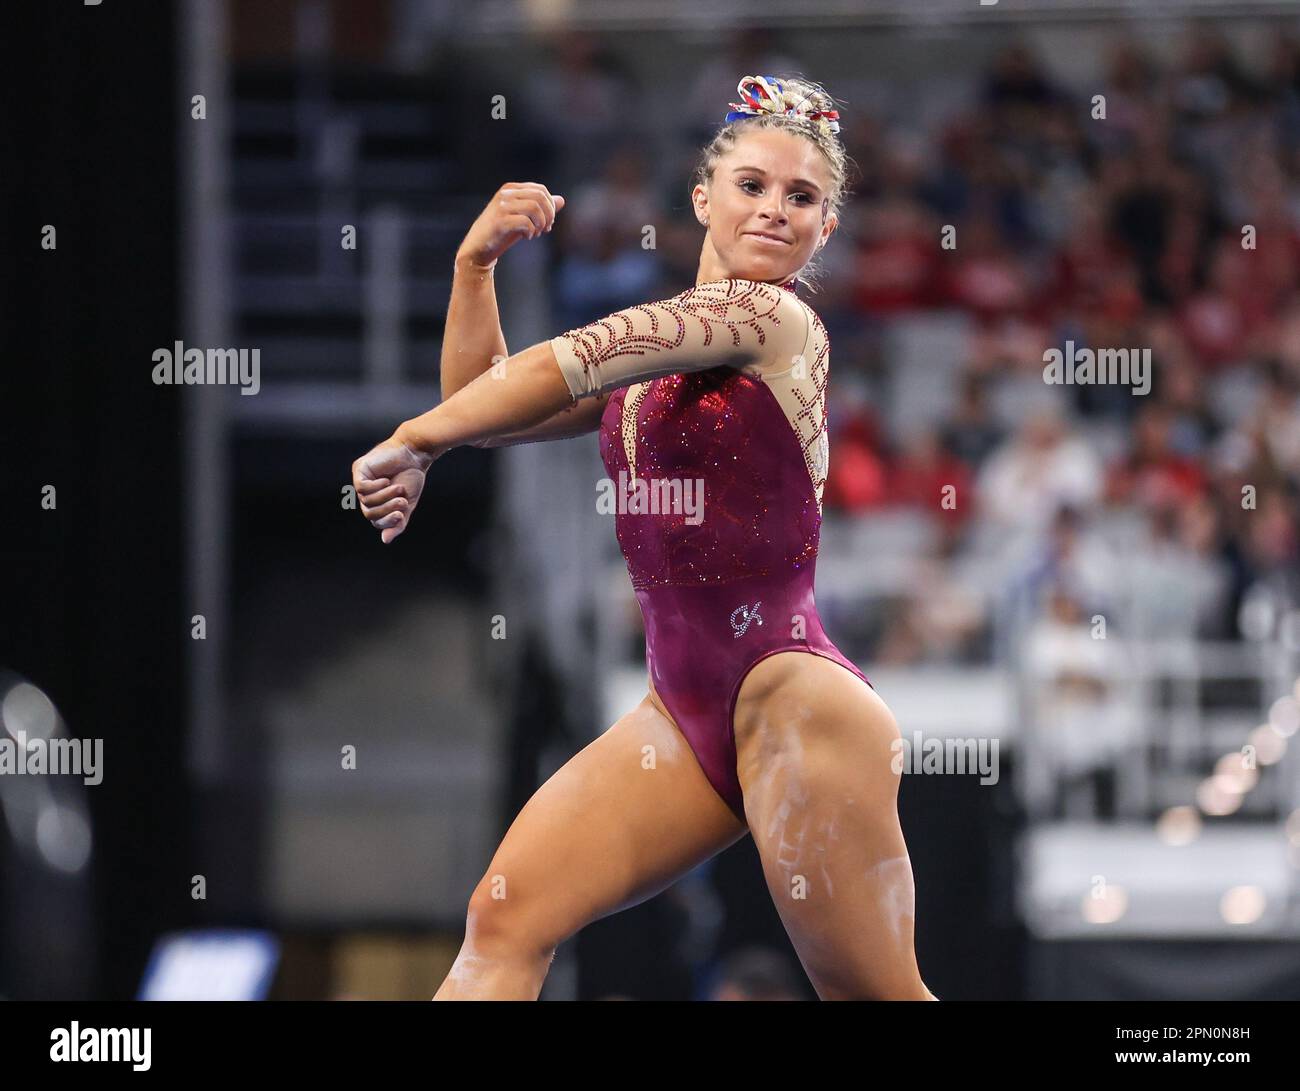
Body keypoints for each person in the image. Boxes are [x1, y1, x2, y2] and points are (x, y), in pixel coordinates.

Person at [352, 75, 937, 1001]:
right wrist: (473, 270)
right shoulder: (654, 368)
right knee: (505, 918)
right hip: (680, 713)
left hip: (791, 697)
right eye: (752, 185)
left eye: (803, 199)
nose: (776, 211)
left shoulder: (776, 321)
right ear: (703, 198)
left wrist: (417, 439)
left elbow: (562, 361)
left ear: (828, 229)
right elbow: (495, 410)